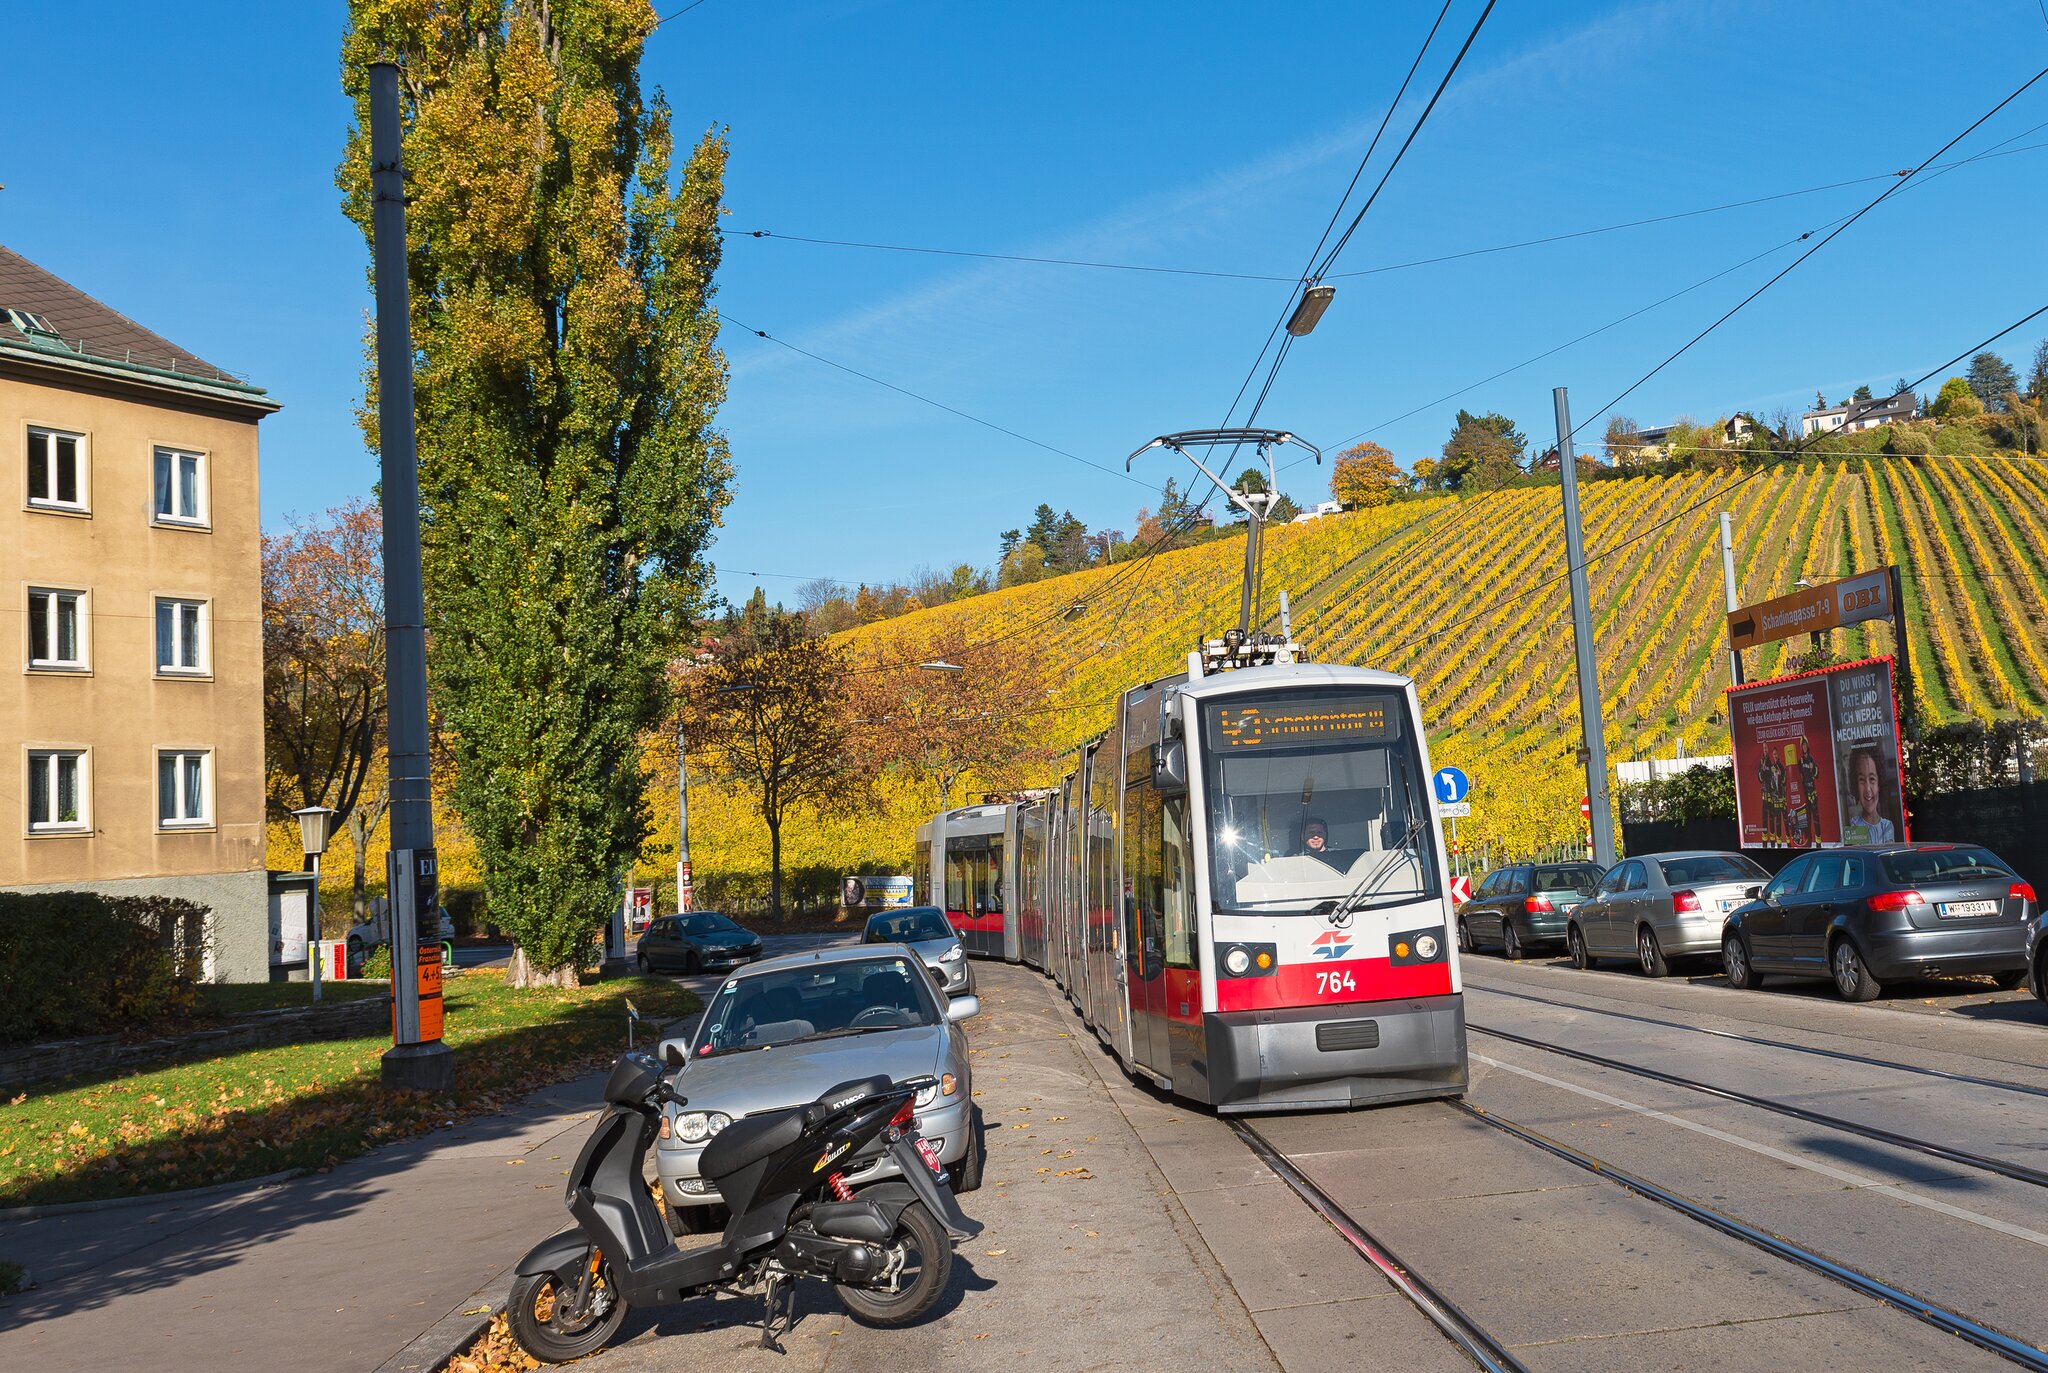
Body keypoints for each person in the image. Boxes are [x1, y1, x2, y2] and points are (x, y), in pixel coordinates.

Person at [1842, 748, 1896, 845]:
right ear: (1855, 784)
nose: (1867, 789)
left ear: (1880, 784)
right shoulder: (1853, 825)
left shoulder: (1887, 826)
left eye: (1872, 779)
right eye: (1861, 779)